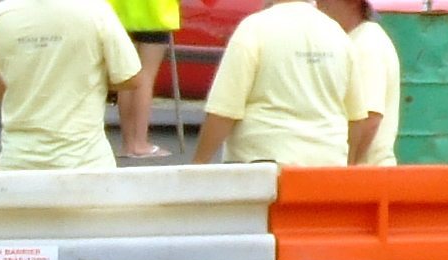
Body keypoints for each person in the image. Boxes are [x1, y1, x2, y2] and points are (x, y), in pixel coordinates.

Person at [191, 0, 367, 166]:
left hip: (262, 165)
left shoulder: (254, 29)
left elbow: (223, 111)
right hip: (326, 167)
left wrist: (198, 165)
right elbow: (356, 117)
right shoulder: (337, 34)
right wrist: (346, 165)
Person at [0, 0, 140, 170]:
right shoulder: (95, 10)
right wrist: (90, 79)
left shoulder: (0, 15)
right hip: (86, 160)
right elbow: (129, 78)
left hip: (19, 159)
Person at [318, 0, 393, 164]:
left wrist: (348, 167)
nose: (317, 5)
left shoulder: (366, 43)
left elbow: (369, 117)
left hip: (367, 174)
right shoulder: (349, 41)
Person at [106, 0, 176, 158]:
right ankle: (140, 143)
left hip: (120, 13)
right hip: (155, 12)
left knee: (128, 76)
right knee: (146, 76)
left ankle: (128, 143)